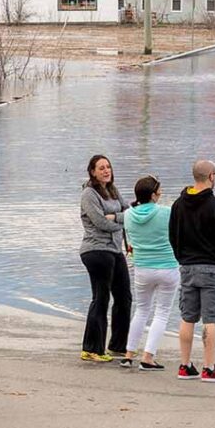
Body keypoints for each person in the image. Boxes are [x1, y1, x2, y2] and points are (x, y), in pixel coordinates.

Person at [169, 160, 215, 383]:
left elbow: (172, 235)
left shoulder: (178, 204)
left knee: (187, 317)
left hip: (187, 266)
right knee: (210, 319)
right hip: (212, 267)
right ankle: (209, 367)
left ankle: (185, 364)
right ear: (211, 176)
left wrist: (182, 258)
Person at [120, 176, 179, 371]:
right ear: (153, 195)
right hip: (167, 267)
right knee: (161, 313)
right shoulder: (167, 212)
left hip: (142, 268)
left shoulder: (128, 214)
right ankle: (148, 357)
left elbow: (130, 240)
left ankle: (129, 354)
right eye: (159, 190)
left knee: (141, 310)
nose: (161, 193)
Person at [79, 154, 132, 363]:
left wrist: (117, 217)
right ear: (92, 172)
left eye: (108, 167)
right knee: (101, 298)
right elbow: (101, 222)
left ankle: (118, 345)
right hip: (96, 251)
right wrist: (122, 221)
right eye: (101, 168)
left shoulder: (113, 191)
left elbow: (130, 213)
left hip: (115, 250)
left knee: (124, 297)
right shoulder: (89, 194)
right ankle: (92, 349)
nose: (106, 171)